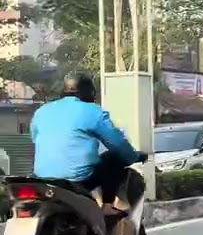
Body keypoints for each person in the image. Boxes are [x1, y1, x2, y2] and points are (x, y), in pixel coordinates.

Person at [30, 72, 143, 209]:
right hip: (78, 180)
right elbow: (117, 143)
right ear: (88, 92)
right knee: (114, 157)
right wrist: (135, 156)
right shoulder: (92, 111)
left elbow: (35, 140)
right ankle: (107, 208)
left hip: (41, 179)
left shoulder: (42, 111)